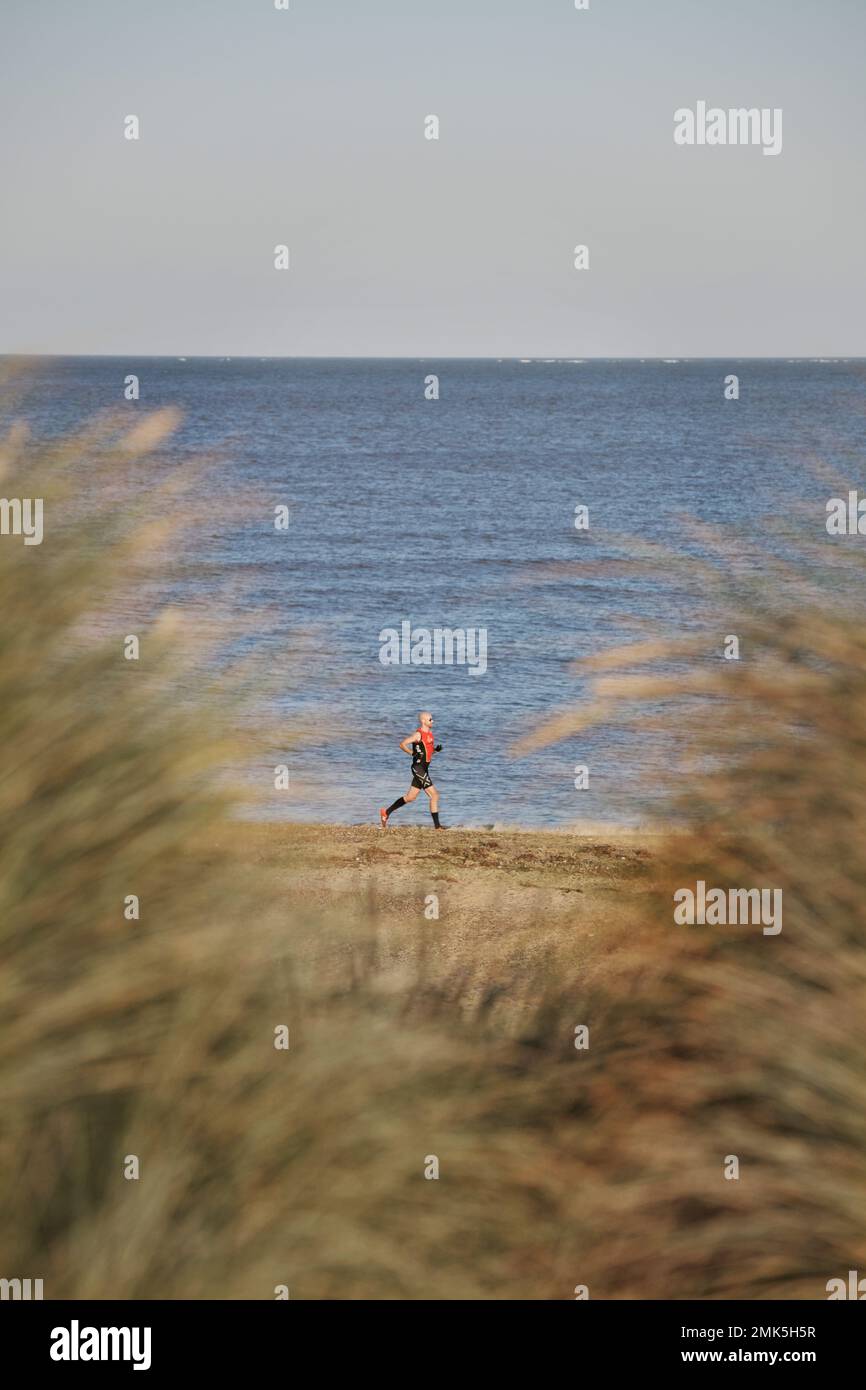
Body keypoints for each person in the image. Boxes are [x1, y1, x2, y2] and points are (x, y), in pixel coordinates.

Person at [380, 711, 445, 829]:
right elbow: (402, 744)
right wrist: (411, 753)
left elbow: (427, 753)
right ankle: (437, 827)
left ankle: (386, 813)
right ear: (423, 721)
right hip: (418, 768)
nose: (433, 721)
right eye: (430, 719)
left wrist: (436, 750)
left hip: (424, 769)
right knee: (434, 795)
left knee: (410, 797)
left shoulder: (430, 735)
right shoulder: (418, 734)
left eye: (432, 719)